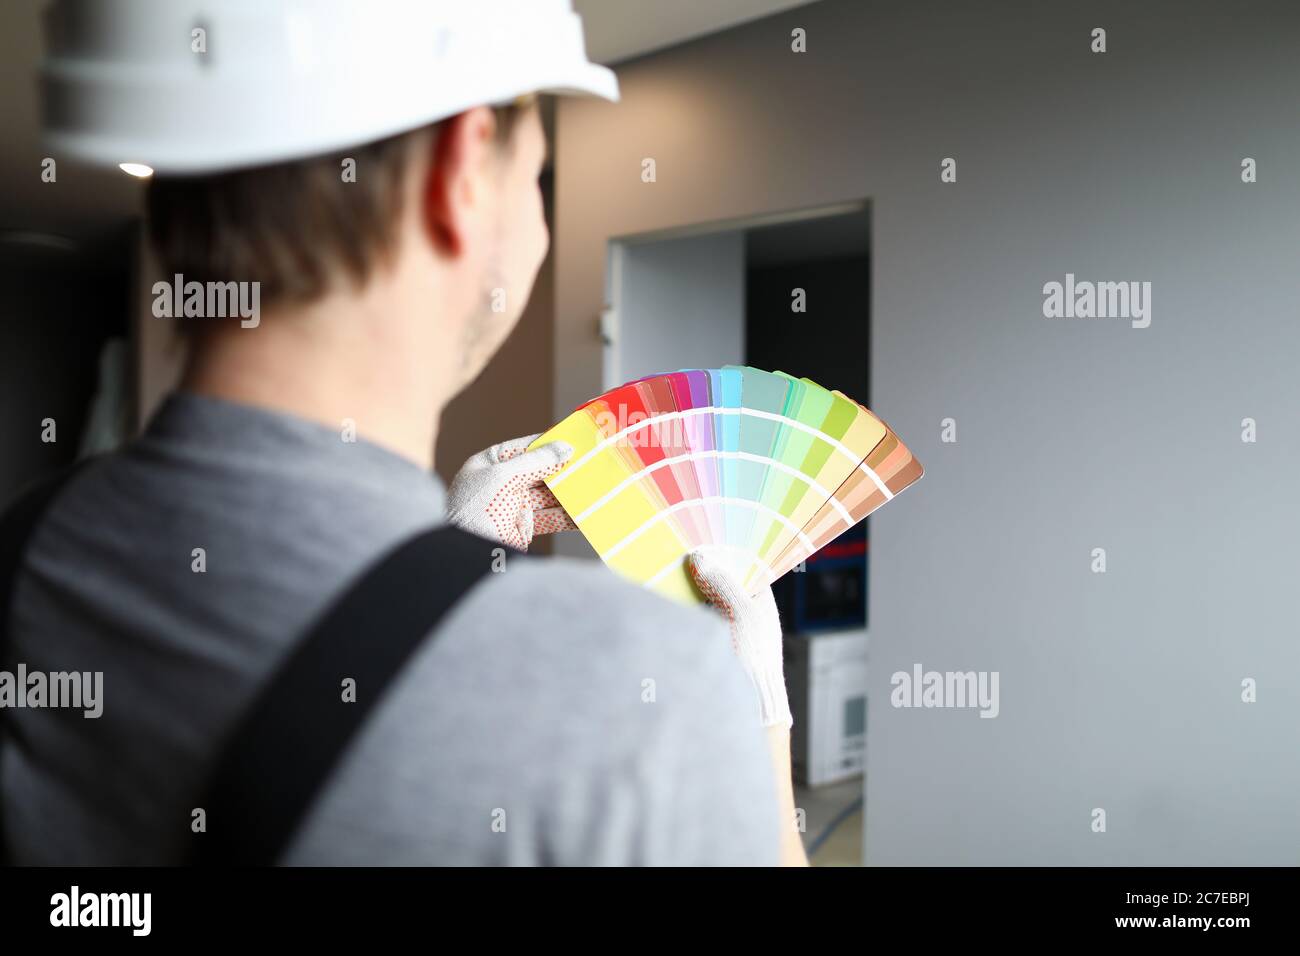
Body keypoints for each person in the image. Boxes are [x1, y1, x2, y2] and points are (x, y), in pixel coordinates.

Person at [1, 0, 808, 866]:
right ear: (462, 175)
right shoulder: (643, 701)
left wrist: (434, 583)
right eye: (535, 175)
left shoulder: (25, 556)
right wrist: (752, 709)